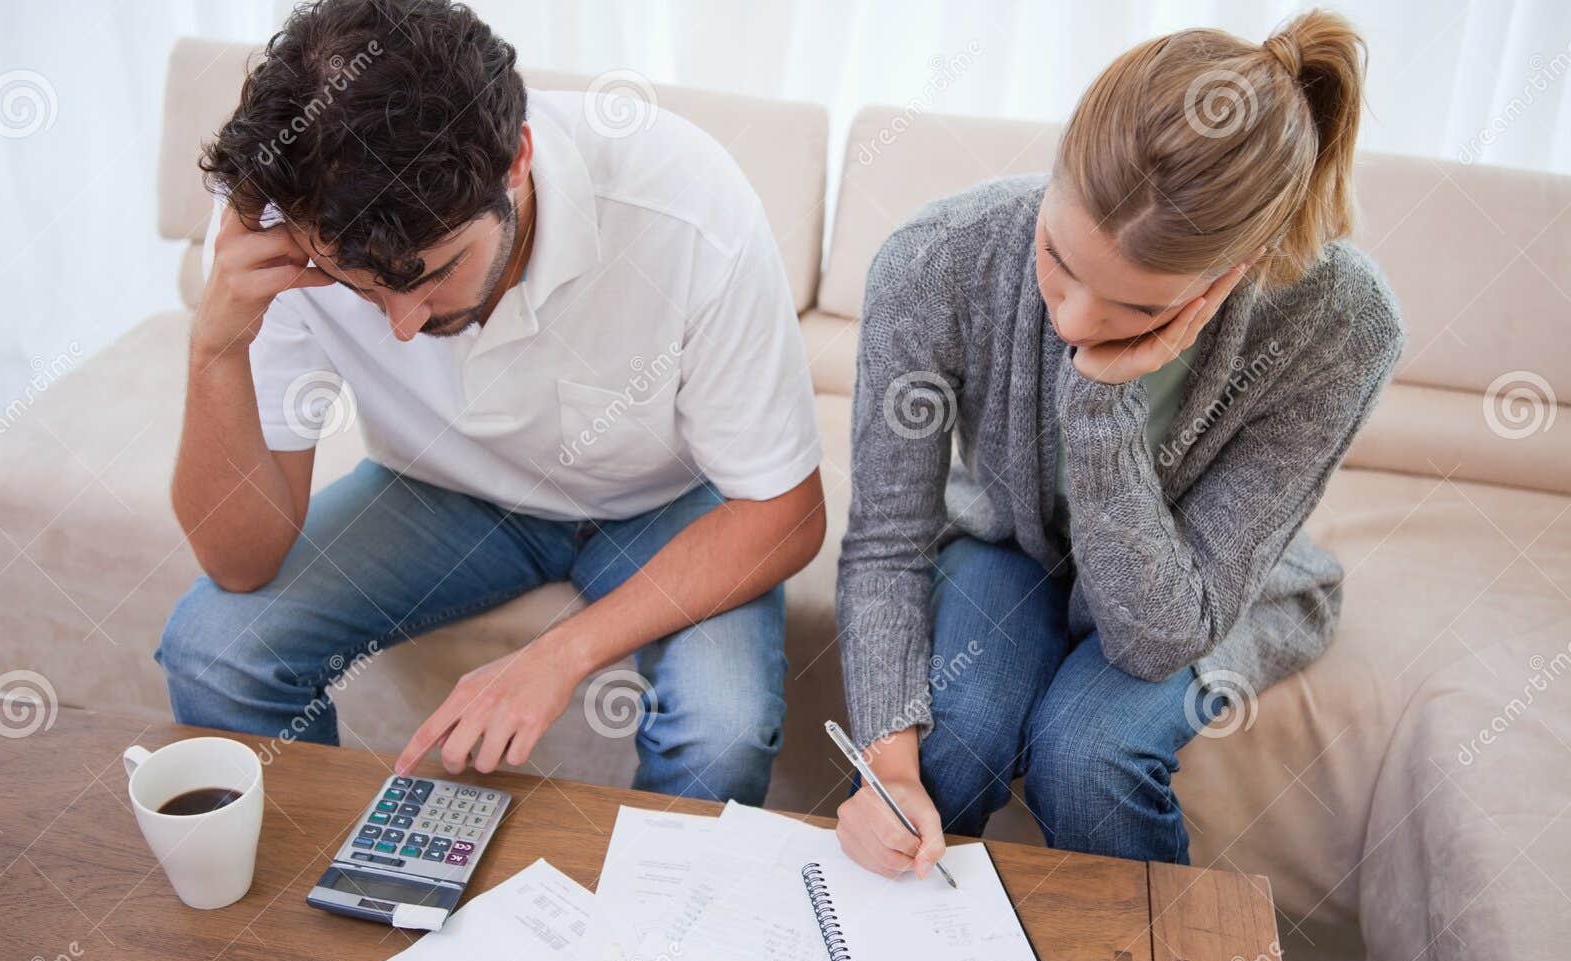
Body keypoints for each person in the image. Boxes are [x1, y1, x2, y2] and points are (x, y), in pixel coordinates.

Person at [158, 0, 825, 805]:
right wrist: (215, 345)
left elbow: (788, 511)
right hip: (445, 493)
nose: (402, 326)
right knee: (214, 648)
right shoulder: (286, 226)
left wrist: (558, 654)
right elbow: (240, 559)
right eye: (357, 289)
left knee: (721, 729)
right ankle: (326, 898)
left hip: (667, 503)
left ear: (516, 161)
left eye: (429, 274)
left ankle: (652, 929)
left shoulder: (688, 207)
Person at [835, 9, 1405, 874]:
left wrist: (1101, 401)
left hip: (1203, 590)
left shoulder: (1340, 324)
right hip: (1013, 544)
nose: (1074, 319)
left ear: (1239, 266)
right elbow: (886, 541)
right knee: (949, 740)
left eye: (1137, 309)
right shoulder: (936, 260)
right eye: (1059, 258)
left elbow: (1154, 637)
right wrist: (884, 771)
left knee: (1088, 756)